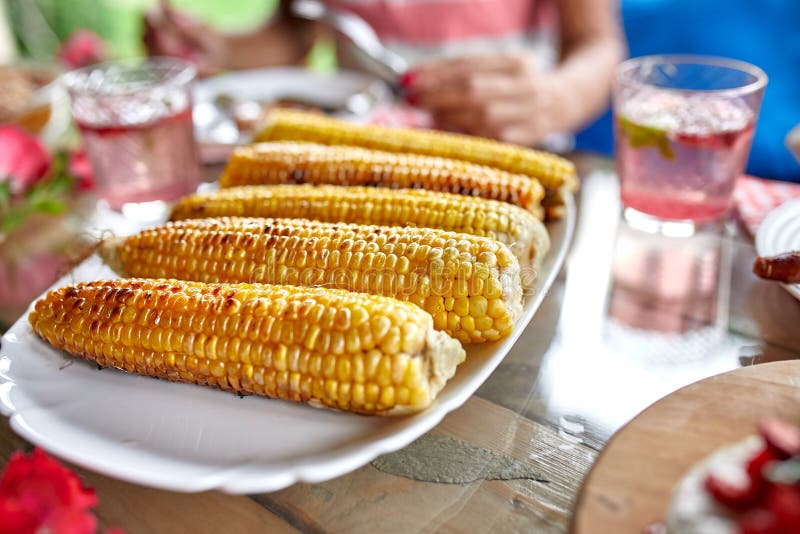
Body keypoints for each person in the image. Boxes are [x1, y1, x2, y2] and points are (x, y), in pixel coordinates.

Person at [144, 0, 624, 148]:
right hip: (367, 169)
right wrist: (221, 49)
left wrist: (555, 98)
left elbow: (598, 45)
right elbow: (299, 32)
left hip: (514, 151)